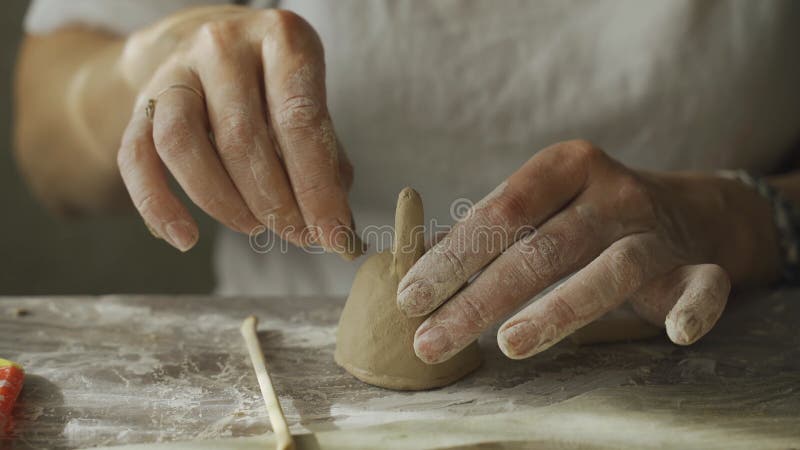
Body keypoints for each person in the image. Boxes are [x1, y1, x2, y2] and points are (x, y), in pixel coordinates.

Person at [14, 0, 800, 363]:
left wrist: (739, 215)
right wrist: (148, 65)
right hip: (287, 369)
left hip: (707, 368)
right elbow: (46, 144)